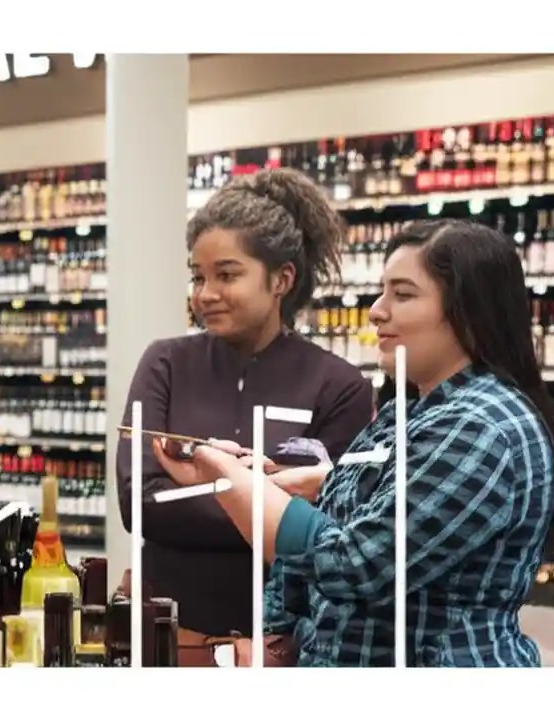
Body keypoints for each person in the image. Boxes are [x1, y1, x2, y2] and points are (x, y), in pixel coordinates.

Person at [163, 218, 554, 667]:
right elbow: (330, 529)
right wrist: (279, 634)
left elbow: (355, 562)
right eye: (382, 290)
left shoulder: (481, 428)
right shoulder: (405, 411)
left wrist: (231, 480)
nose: (376, 311)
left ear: (468, 309)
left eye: (403, 294)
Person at [115, 167, 375, 666]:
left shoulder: (339, 386)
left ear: (282, 279)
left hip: (280, 649)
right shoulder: (164, 362)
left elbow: (337, 531)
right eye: (197, 276)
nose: (205, 293)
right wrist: (272, 501)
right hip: (166, 639)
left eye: (227, 275)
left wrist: (207, 489)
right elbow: (139, 505)